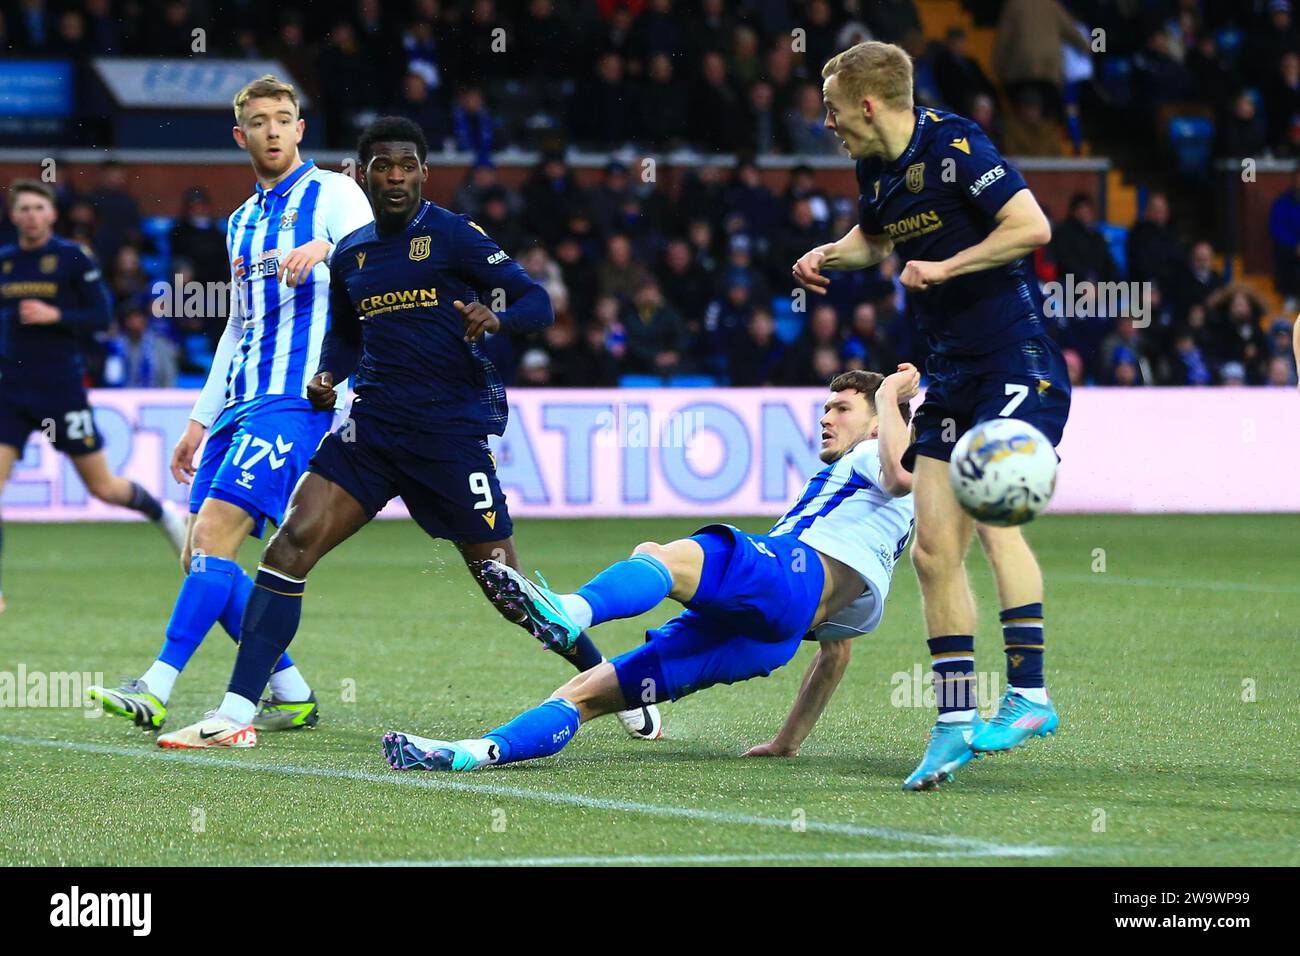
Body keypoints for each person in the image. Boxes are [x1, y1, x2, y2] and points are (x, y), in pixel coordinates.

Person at [156, 116, 661, 749]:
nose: (395, 176)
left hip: (449, 437)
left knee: (508, 590)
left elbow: (537, 301)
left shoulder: (453, 236)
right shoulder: (353, 251)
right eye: (382, 166)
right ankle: (235, 713)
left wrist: (493, 314)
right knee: (287, 550)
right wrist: (327, 374)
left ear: (423, 171)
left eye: (407, 165)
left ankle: (606, 679)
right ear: (363, 175)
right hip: (372, 431)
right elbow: (344, 331)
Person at [380, 368, 917, 773]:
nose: (825, 417)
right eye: (825, 407)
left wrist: (892, 395)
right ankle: (474, 753)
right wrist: (788, 740)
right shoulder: (885, 528)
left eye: (841, 408)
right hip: (772, 639)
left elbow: (898, 472)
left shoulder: (872, 457)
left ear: (877, 423)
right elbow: (835, 653)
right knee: (587, 694)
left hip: (787, 577)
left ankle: (567, 611)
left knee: (664, 554)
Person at [793, 41, 1071, 790]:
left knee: (990, 506)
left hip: (1017, 363)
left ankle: (1030, 693)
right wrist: (829, 255)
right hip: (950, 375)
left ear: (870, 104)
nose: (827, 124)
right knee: (930, 550)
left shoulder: (955, 144)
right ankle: (952, 721)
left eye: (833, 110)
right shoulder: (876, 170)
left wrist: (946, 267)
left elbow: (1030, 227)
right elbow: (876, 238)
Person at [88, 75, 374, 732]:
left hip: (297, 398)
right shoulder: (242, 221)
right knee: (201, 556)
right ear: (239, 135)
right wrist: (199, 418)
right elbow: (238, 326)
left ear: (300, 128)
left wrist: (330, 248)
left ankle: (157, 685)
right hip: (240, 400)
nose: (273, 130)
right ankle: (291, 688)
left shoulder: (334, 192)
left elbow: (382, 265)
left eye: (284, 118)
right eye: (259, 121)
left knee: (215, 538)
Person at [0, 179, 188, 615]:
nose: (30, 215)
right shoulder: (6, 263)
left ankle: (164, 515)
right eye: (23, 208)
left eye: (37, 207)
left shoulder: (71, 259)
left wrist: (55, 314)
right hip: (10, 391)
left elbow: (103, 316)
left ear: (51, 215)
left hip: (60, 390)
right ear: (13, 216)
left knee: (102, 487)